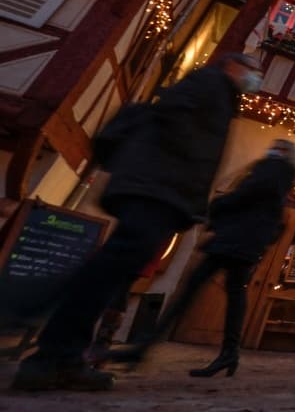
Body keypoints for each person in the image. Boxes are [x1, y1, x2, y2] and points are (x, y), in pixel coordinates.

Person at [12, 53, 263, 392]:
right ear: (233, 67)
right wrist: (184, 194)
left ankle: (57, 353)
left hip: (155, 189)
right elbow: (177, 133)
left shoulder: (215, 92)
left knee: (111, 269)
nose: (255, 78)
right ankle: (29, 321)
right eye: (252, 70)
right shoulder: (210, 84)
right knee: (107, 269)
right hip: (157, 191)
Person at [111, 140, 295, 375]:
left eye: (279, 148)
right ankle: (228, 353)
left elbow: (246, 194)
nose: (273, 149)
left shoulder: (272, 169)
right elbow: (273, 216)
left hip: (234, 239)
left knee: (191, 290)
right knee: (232, 294)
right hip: (246, 242)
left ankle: (144, 347)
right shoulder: (284, 177)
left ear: (284, 153)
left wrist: (218, 205)